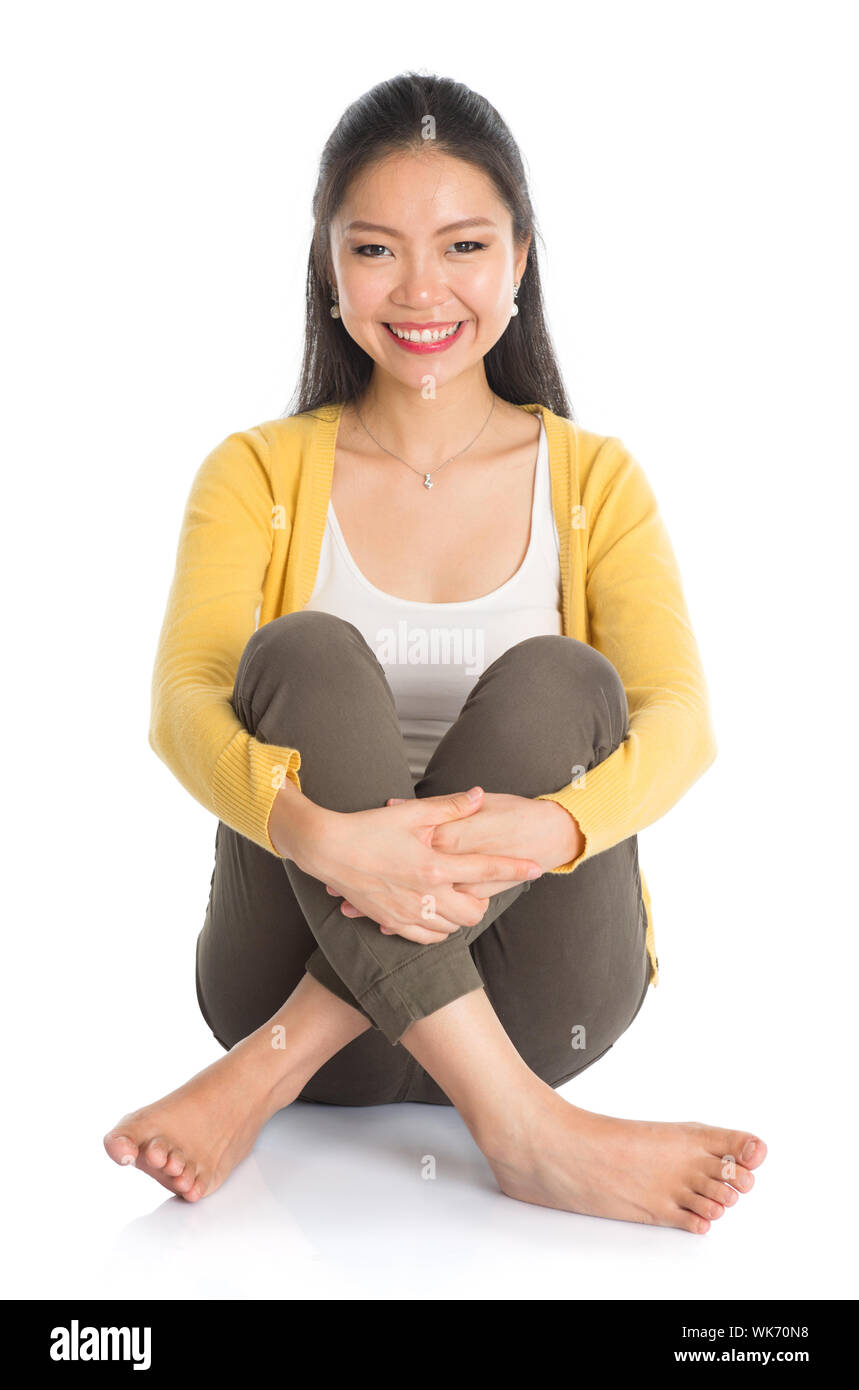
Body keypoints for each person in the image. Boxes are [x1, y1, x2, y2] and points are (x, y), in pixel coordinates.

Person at [104, 72, 766, 1233]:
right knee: (304, 652)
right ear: (327, 265)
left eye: (463, 244)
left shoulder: (593, 479)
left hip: (537, 1000)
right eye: (374, 249)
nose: (420, 289)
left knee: (568, 680)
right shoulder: (254, 472)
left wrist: (550, 829)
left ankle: (275, 1072)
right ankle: (525, 1131)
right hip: (282, 946)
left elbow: (680, 721)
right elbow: (182, 704)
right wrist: (324, 839)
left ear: (519, 259)